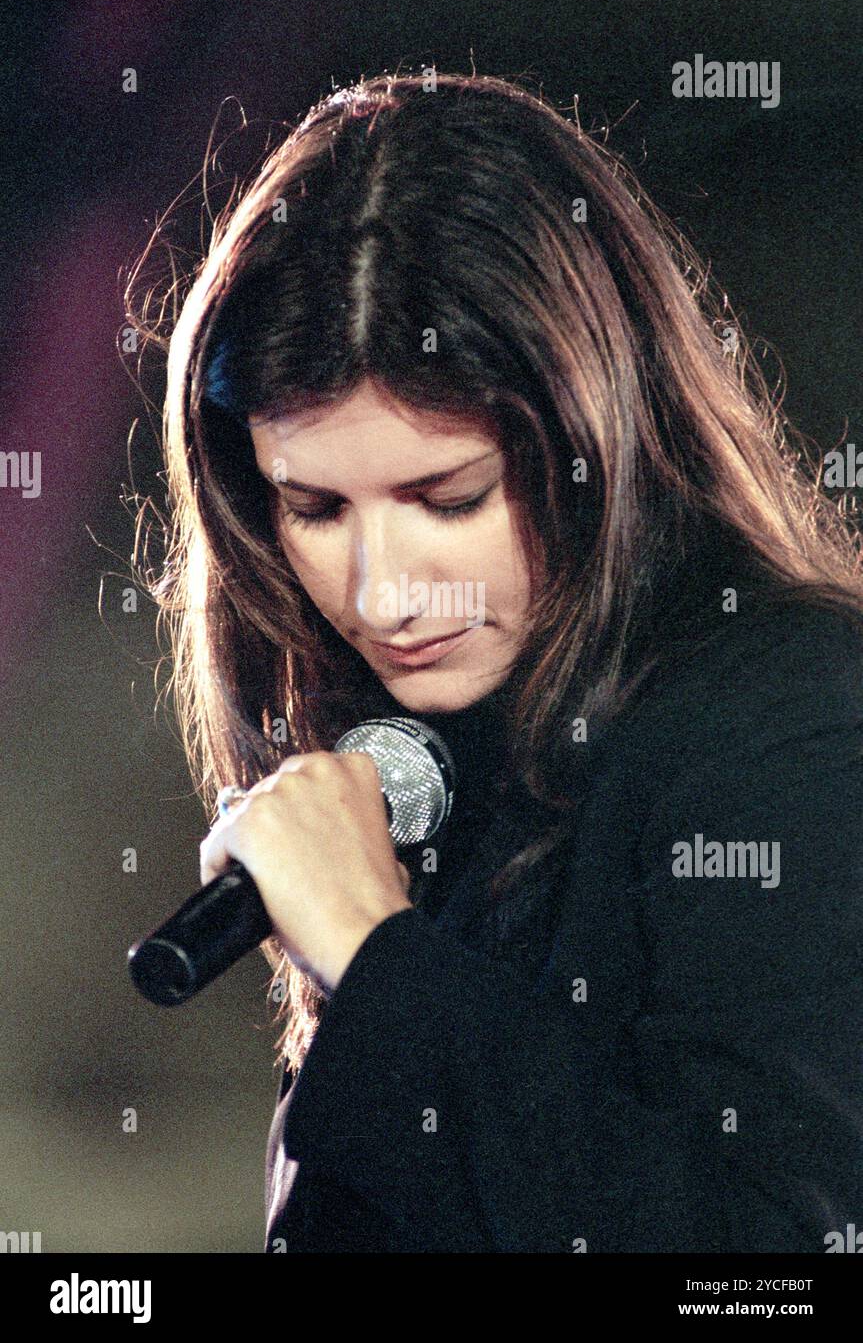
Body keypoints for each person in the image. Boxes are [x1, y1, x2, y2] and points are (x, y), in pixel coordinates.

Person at [127, 71, 863, 1252]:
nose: (383, 593)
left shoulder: (786, 719)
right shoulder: (416, 758)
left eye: (447, 496)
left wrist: (377, 958)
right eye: (314, 508)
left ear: (593, 435)